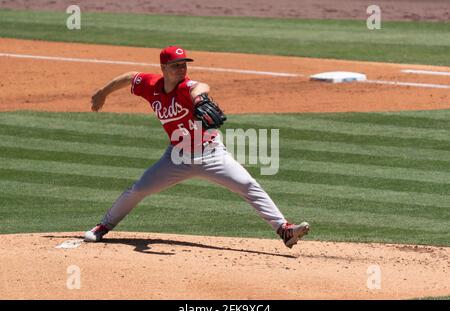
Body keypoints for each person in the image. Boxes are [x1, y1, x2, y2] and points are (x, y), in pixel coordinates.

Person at [84, 45, 310, 248]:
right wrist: (102, 93)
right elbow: (130, 77)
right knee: (139, 188)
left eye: (184, 64)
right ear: (163, 67)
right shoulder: (150, 85)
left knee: (248, 185)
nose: (182, 69)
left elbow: (200, 86)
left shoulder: (187, 87)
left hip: (212, 155)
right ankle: (102, 227)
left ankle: (285, 230)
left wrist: (200, 99)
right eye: (176, 65)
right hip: (176, 158)